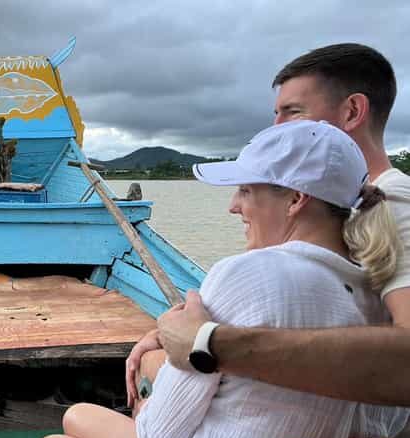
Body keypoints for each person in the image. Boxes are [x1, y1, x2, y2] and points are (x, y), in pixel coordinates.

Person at [38, 120, 409, 438]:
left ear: (297, 199)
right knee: (79, 416)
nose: (233, 206)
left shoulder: (246, 273)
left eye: (246, 191)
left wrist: (149, 406)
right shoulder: (381, 292)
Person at [149, 43, 410, 410]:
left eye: (292, 112)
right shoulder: (350, 207)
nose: (275, 128)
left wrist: (207, 342)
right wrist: (168, 334)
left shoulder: (396, 201)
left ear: (352, 110)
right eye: (276, 114)